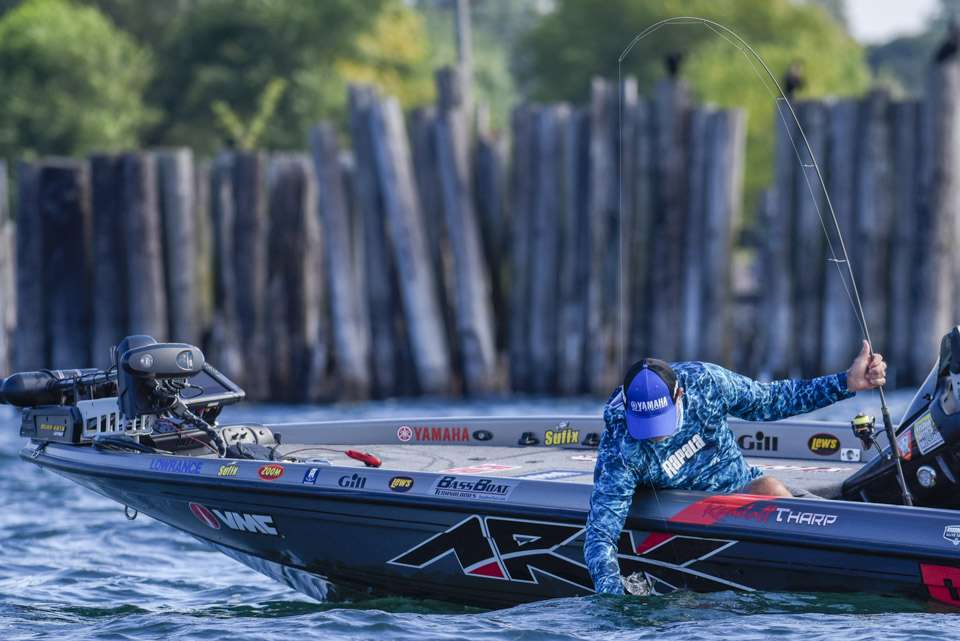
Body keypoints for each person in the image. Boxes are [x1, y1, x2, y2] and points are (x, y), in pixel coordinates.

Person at [583, 340, 887, 595]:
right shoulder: (621, 445)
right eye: (644, 425)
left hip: (741, 494)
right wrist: (612, 600)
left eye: (659, 421)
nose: (654, 434)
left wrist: (846, 383)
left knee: (771, 490)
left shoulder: (706, 382)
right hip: (687, 523)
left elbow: (772, 400)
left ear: (679, 395)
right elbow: (601, 534)